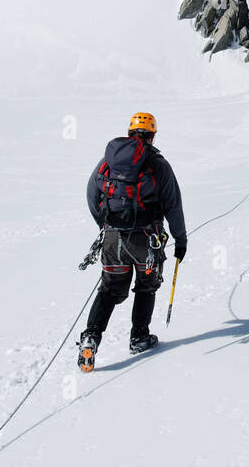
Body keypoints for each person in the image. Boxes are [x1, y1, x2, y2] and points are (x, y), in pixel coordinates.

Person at [77, 112, 187, 372]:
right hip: (148, 240)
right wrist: (180, 239)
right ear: (152, 135)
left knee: (109, 290)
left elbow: (92, 192)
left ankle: (91, 337)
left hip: (113, 239)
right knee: (146, 287)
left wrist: (106, 225)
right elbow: (173, 204)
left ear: (130, 133)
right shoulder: (158, 164)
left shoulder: (109, 161)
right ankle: (139, 337)